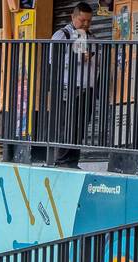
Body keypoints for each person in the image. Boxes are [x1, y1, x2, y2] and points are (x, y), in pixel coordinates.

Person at [50, 2, 98, 169]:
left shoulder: (91, 37)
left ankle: (73, 161)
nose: (85, 24)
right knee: (68, 125)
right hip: (69, 87)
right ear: (73, 17)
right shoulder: (62, 35)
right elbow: (53, 59)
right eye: (82, 20)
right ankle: (62, 161)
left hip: (88, 87)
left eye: (89, 21)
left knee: (81, 126)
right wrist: (78, 58)